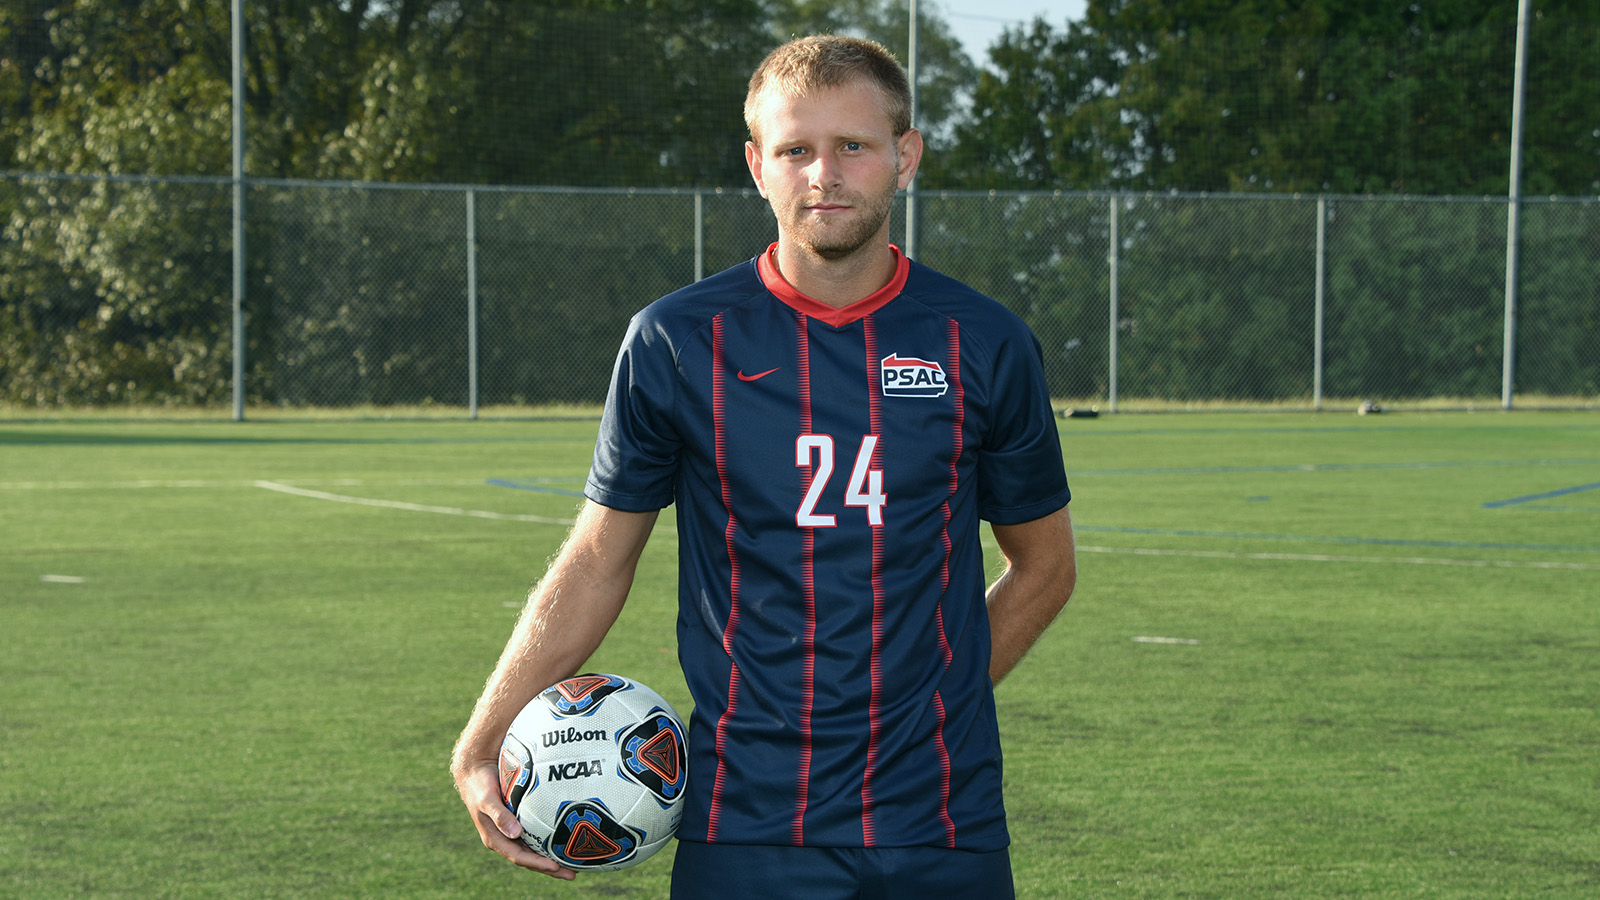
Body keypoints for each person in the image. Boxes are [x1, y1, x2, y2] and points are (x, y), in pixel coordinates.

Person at [450, 34, 1077, 900]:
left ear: (906, 157)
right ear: (757, 165)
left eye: (853, 146)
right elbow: (598, 560)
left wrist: (930, 706)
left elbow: (1046, 567)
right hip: (745, 826)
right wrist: (482, 738)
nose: (825, 173)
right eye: (796, 149)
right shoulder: (675, 341)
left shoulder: (986, 343)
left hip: (942, 817)